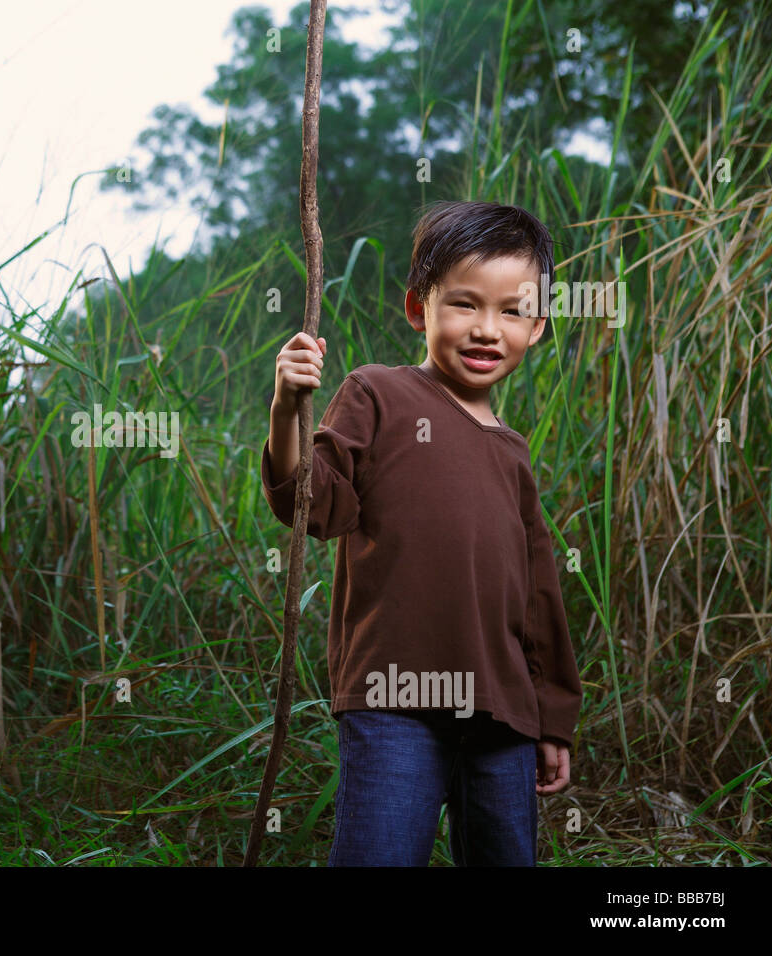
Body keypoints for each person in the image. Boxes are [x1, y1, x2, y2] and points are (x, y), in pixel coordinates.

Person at [261, 200, 582, 866]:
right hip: (393, 695)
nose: (487, 329)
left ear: (539, 327)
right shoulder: (379, 394)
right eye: (464, 304)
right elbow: (313, 508)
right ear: (418, 309)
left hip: (503, 714)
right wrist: (287, 407)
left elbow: (539, 597)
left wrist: (553, 721)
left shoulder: (514, 452)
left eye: (512, 311)